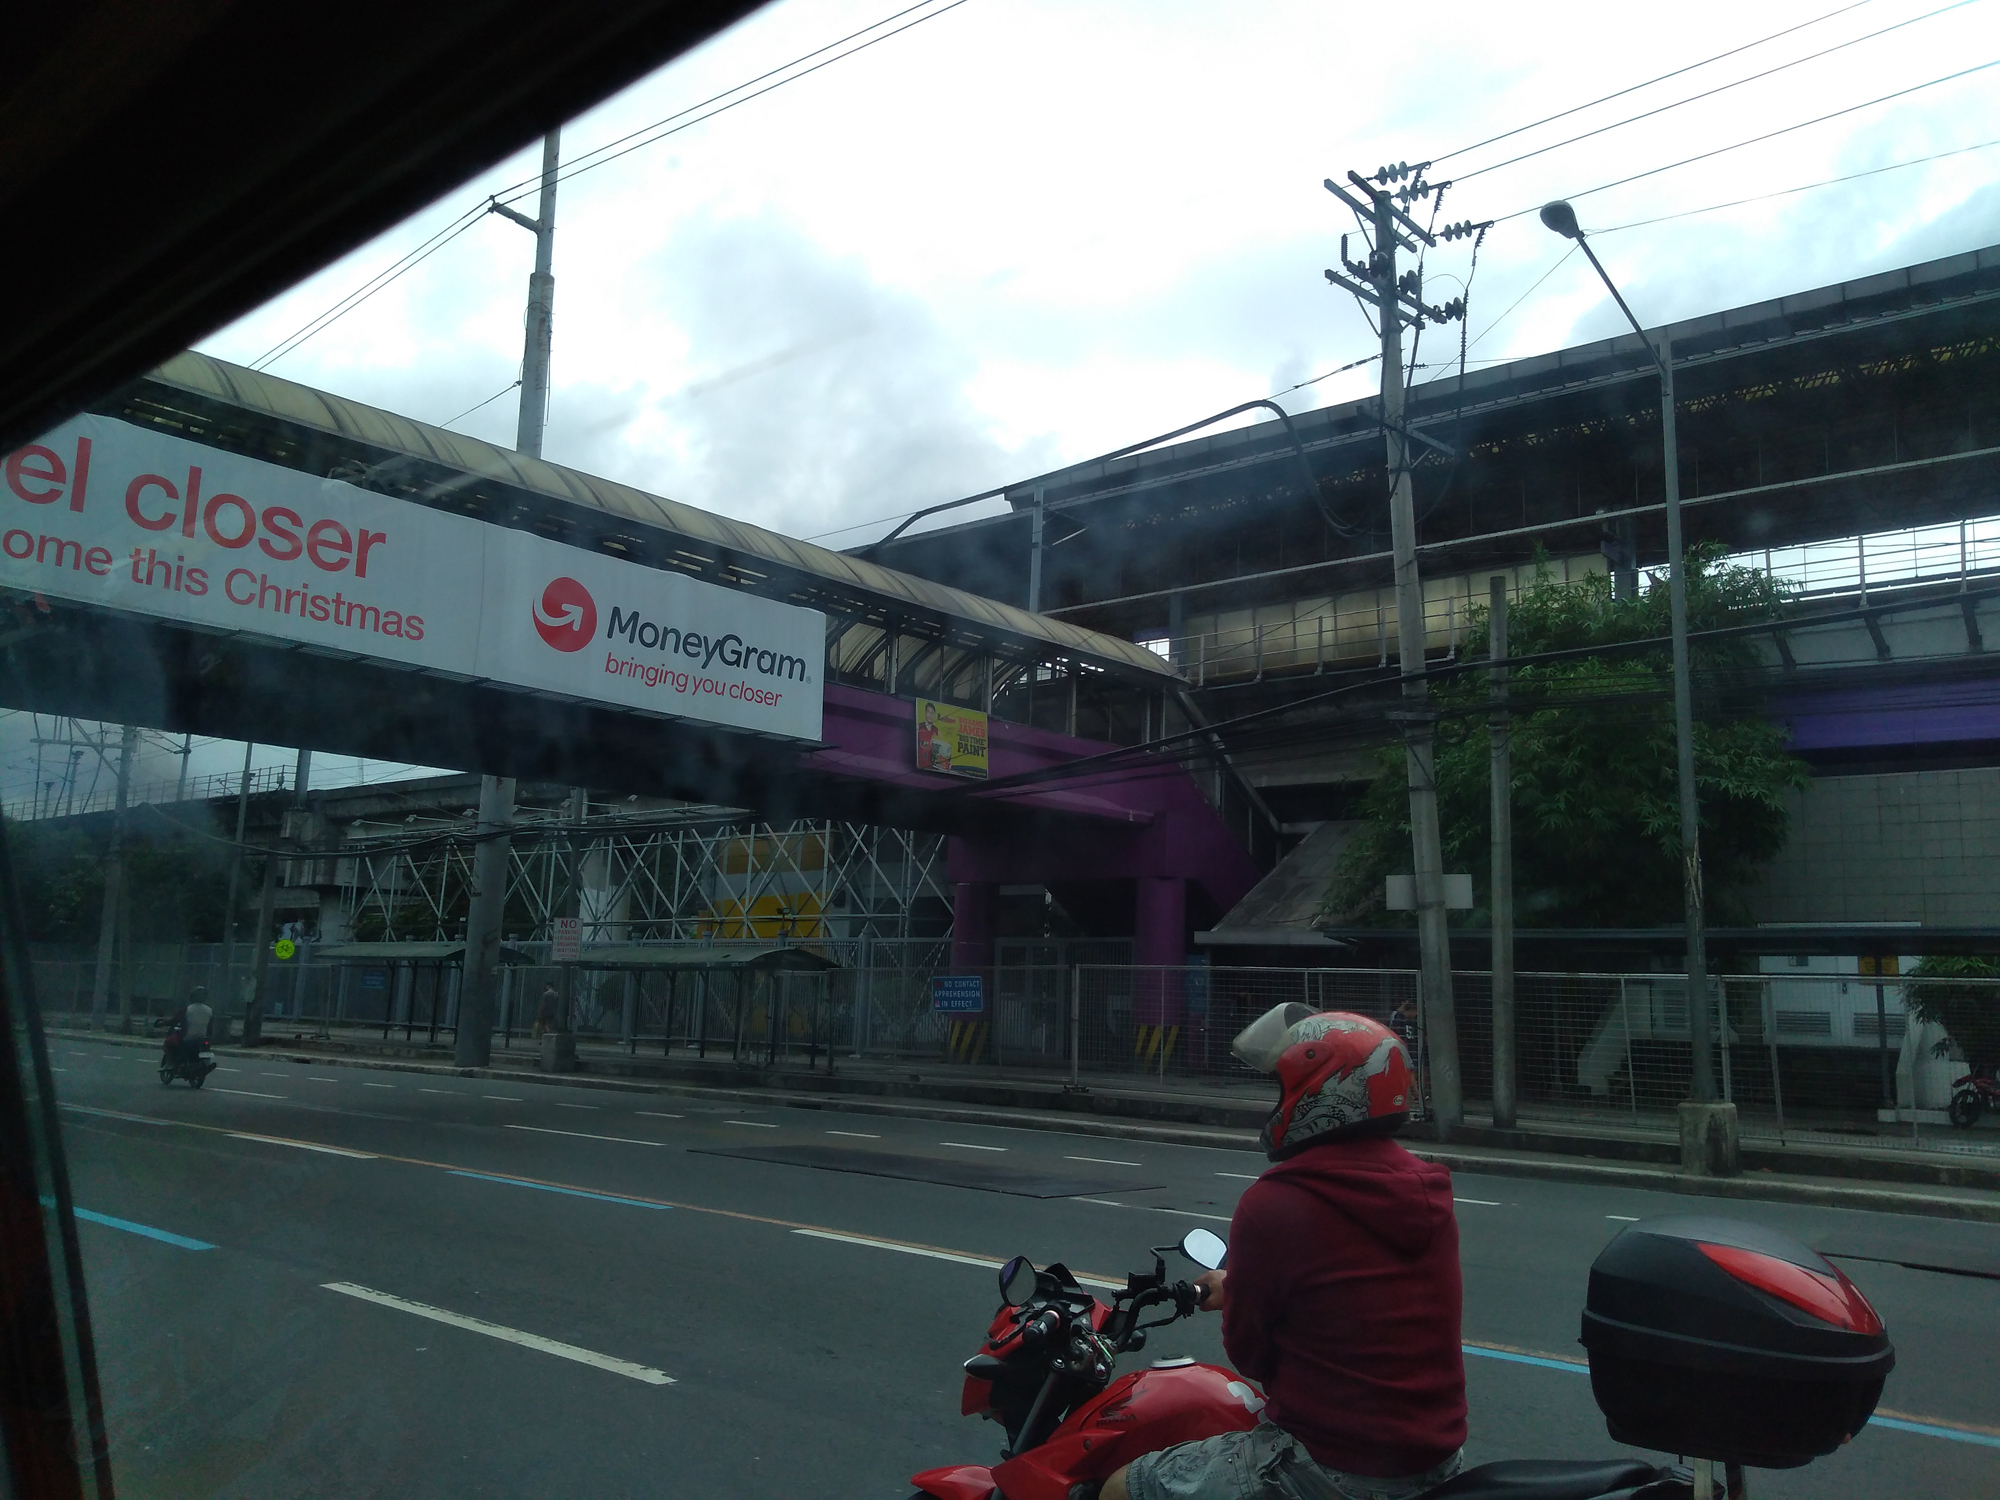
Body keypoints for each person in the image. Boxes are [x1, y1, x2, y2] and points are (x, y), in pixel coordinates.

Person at [1103, 1005, 1467, 1500]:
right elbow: (1356, 1295)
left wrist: (1240, 1294)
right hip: (1437, 1458)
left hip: (1334, 1461)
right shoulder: (1426, 1192)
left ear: (1324, 1090)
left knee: (1120, 1489)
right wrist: (1242, 1285)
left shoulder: (1275, 1202)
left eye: (1281, 1085)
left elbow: (1250, 1354)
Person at [164, 985, 214, 1071]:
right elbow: (211, 1026)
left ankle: (171, 1063)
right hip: (203, 1038)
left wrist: (164, 1023)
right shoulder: (210, 1010)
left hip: (187, 1038)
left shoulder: (187, 1009)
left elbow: (174, 1020)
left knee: (169, 1043)